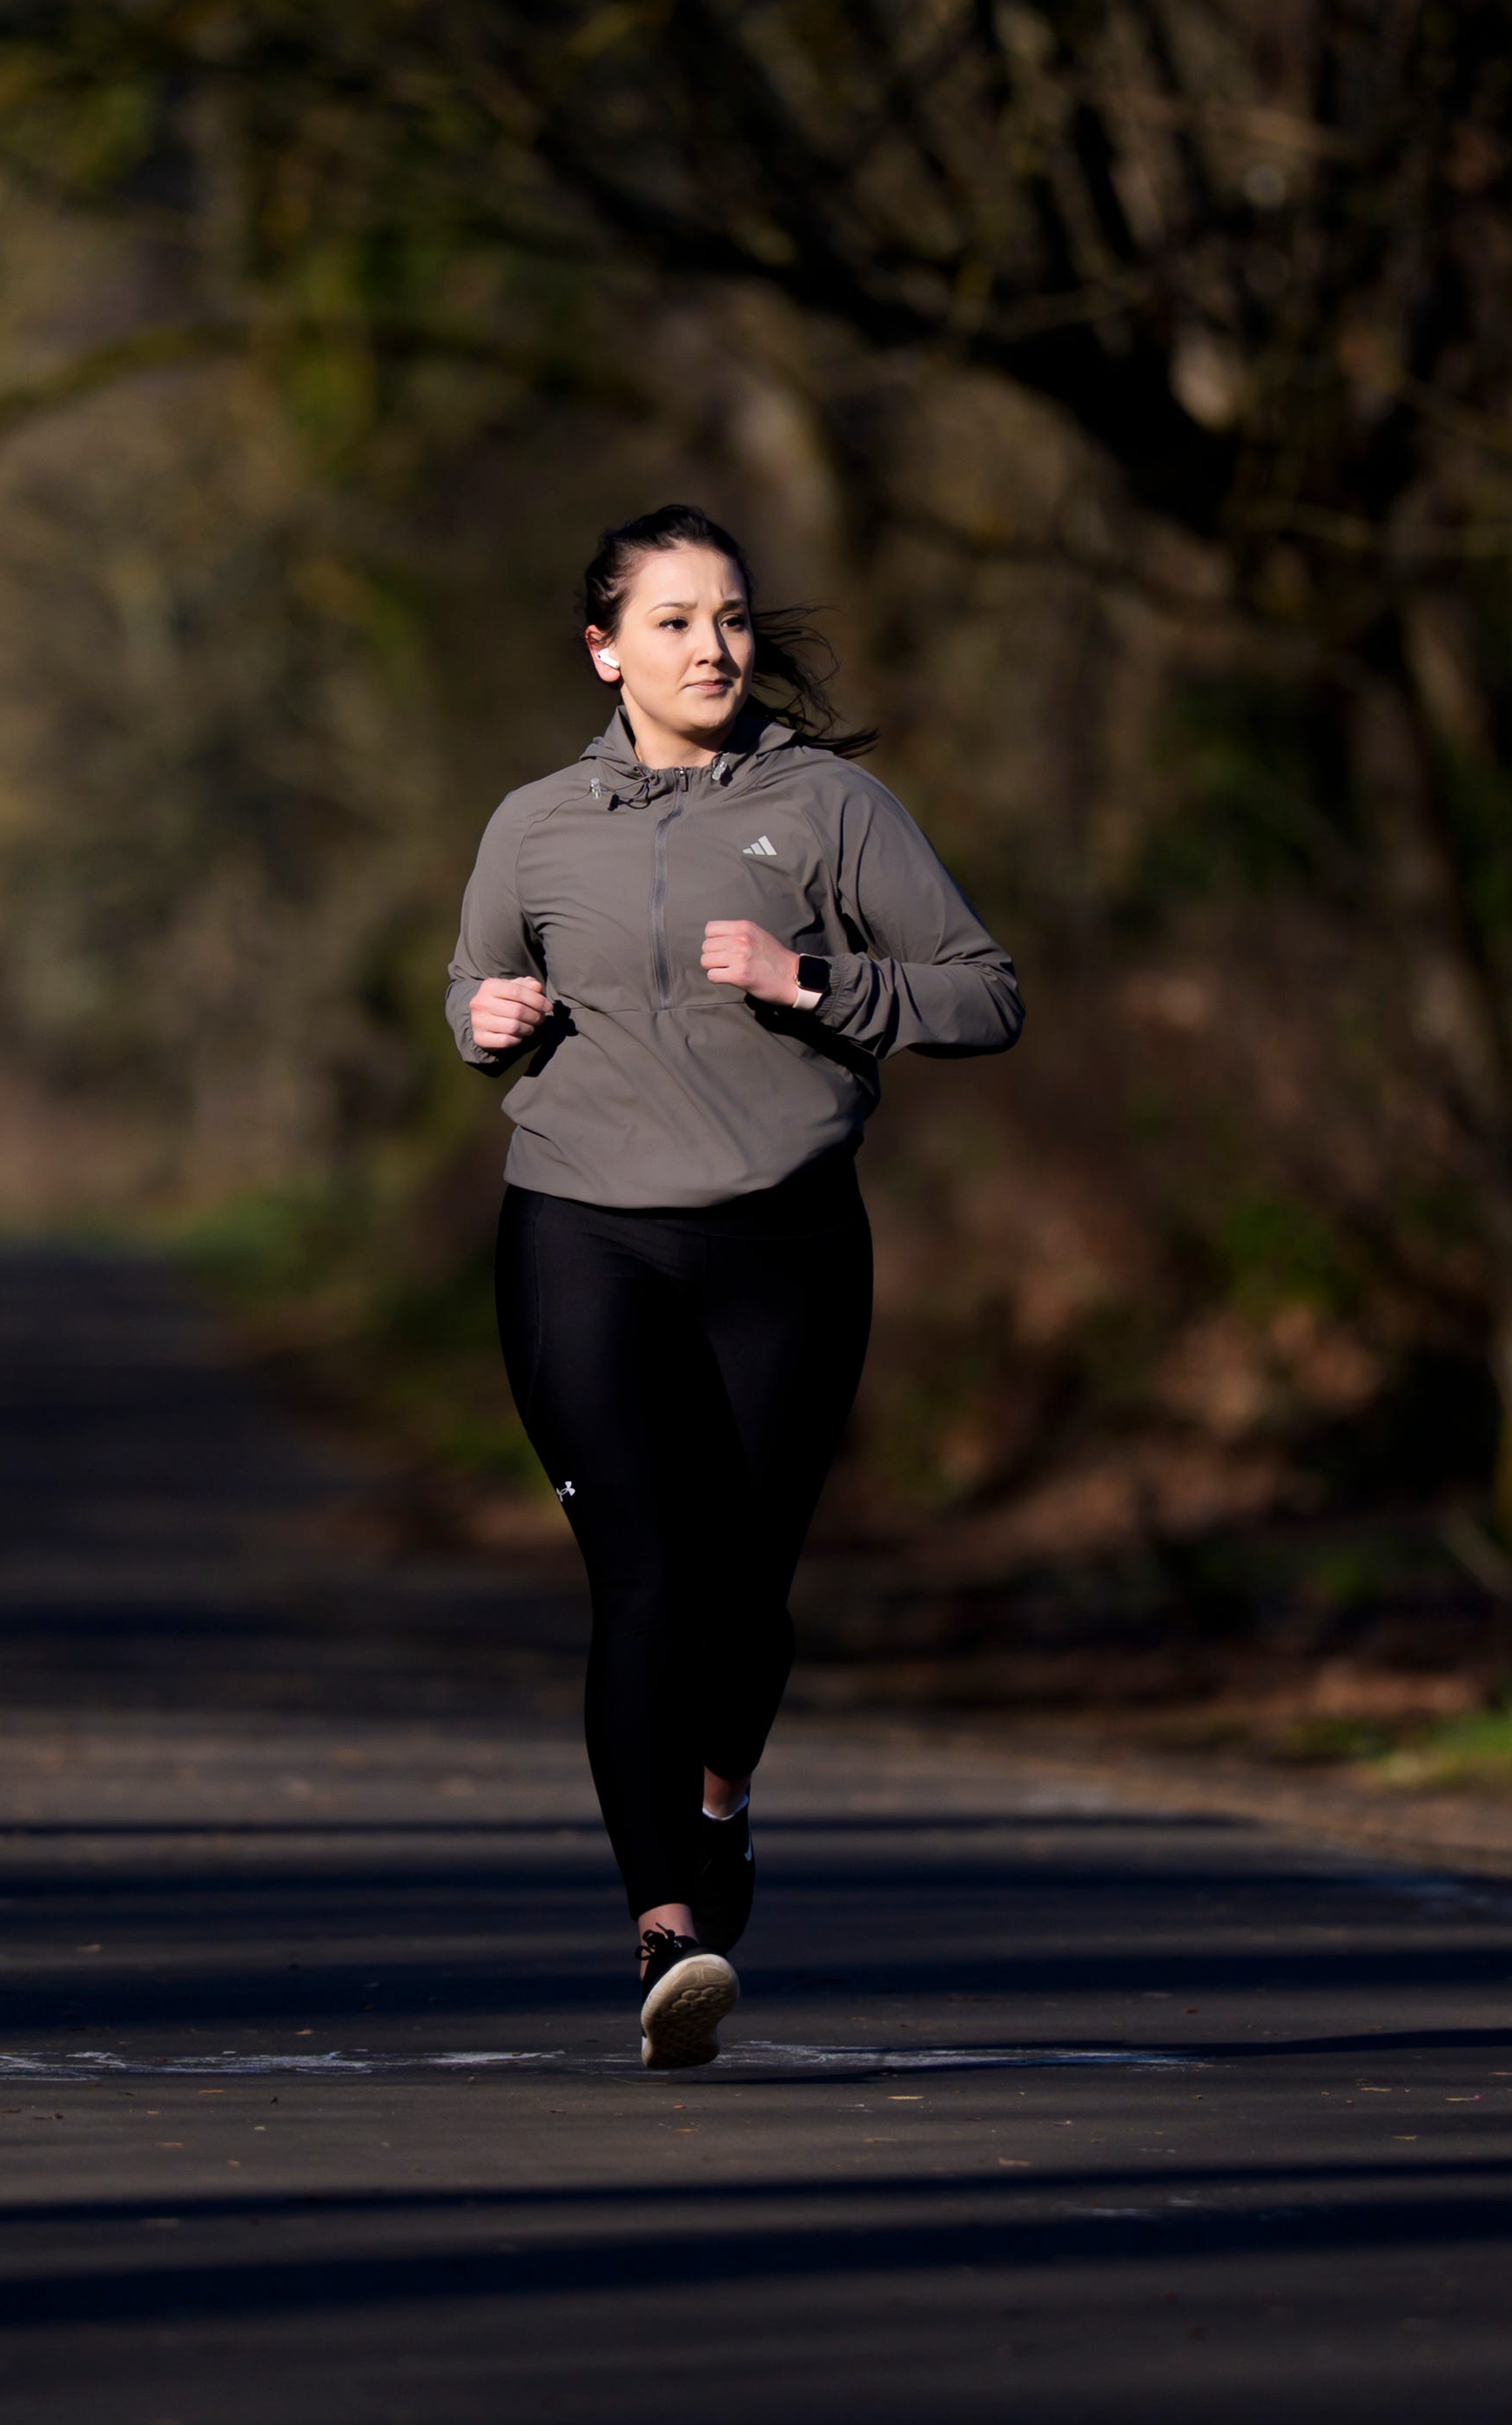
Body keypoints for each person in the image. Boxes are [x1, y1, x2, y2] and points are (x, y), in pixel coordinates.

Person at [447, 506, 1023, 2069]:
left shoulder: (830, 808)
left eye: (732, 620)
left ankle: (719, 1799)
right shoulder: (533, 821)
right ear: (605, 647)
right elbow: (472, 981)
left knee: (743, 1594)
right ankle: (663, 1927)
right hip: (580, 1228)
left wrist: (812, 982)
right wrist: (483, 1012)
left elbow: (986, 993)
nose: (712, 647)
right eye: (677, 621)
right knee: (636, 1575)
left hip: (782, 1242)